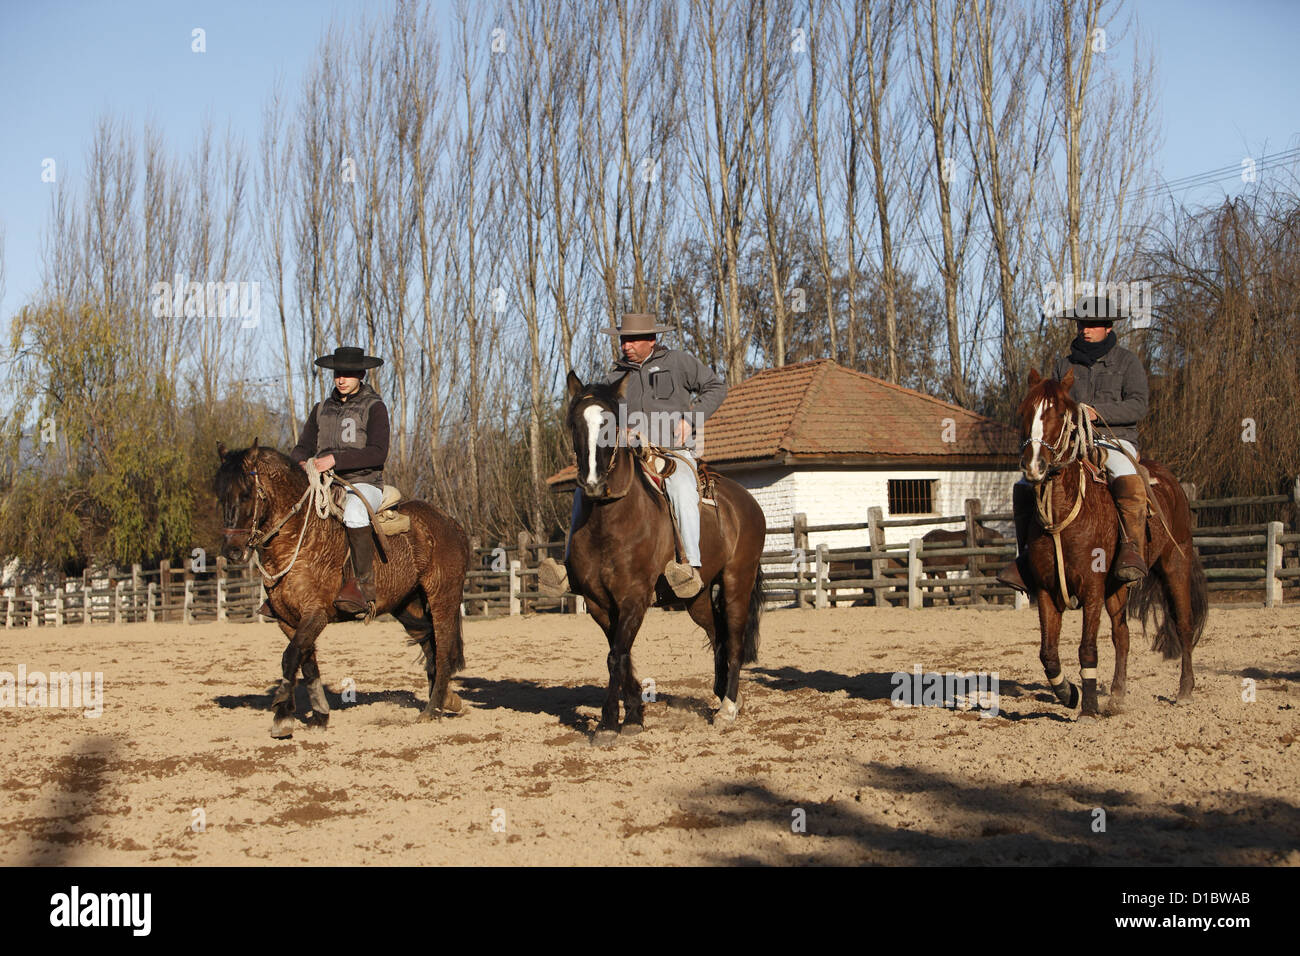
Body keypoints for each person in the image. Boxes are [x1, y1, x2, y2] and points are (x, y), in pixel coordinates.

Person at [539, 312, 728, 599]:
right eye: (623, 340)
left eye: (632, 340)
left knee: (680, 487)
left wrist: (690, 418)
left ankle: (691, 566)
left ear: (651, 339)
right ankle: (570, 567)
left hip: (672, 452)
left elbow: (716, 387)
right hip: (630, 456)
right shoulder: (615, 376)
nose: (626, 345)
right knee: (584, 489)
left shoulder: (678, 362)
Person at [997, 294, 1150, 594]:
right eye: (1082, 323)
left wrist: (1097, 411)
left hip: (1116, 440)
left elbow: (1138, 405)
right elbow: (1048, 406)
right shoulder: (1063, 365)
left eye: (1093, 324)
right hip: (1070, 443)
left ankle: (1132, 549)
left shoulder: (1127, 362)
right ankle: (1026, 558)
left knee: (1128, 479)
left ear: (1108, 327)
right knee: (1024, 486)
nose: (1085, 329)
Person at [289, 345, 390, 617]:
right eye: (337, 374)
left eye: (347, 374)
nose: (340, 379)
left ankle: (363, 588)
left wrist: (335, 460)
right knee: (292, 512)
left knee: (356, 513)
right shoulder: (320, 409)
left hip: (364, 483)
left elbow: (379, 452)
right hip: (324, 485)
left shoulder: (375, 407)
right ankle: (287, 591)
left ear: (360, 374)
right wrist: (301, 462)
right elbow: (301, 447)